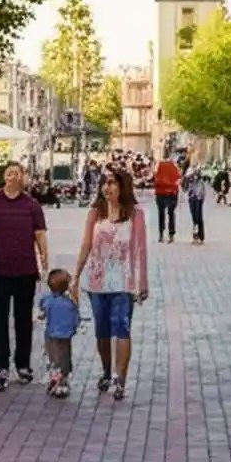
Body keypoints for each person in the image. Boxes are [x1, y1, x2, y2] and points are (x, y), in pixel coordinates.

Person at [0, 161, 49, 390]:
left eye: (17, 173)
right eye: (9, 173)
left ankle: (23, 365)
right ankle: (1, 366)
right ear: (4, 177)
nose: (13, 177)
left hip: (25, 270)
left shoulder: (32, 205)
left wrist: (44, 258)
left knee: (24, 320)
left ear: (24, 177)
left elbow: (40, 234)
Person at [72, 167, 149, 401]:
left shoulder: (135, 214)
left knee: (121, 326)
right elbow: (86, 244)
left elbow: (140, 249)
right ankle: (106, 371)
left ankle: (120, 379)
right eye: (105, 183)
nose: (108, 187)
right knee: (102, 330)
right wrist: (76, 275)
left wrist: (141, 281)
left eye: (113, 183)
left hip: (123, 282)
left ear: (123, 186)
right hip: (97, 281)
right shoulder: (96, 213)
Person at [39, 269, 80, 398]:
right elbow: (76, 317)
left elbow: (42, 310)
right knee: (65, 357)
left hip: (51, 335)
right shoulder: (70, 302)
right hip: (65, 336)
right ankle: (63, 380)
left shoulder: (48, 300)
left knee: (53, 357)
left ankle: (55, 378)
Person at [153, 157, 182, 243]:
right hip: (172, 192)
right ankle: (171, 234)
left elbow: (154, 176)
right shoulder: (174, 165)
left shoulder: (159, 164)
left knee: (161, 214)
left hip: (161, 192)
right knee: (171, 213)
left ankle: (161, 234)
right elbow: (178, 177)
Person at [184, 167, 207, 244]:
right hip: (192, 199)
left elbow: (202, 191)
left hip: (199, 199)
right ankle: (195, 236)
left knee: (198, 217)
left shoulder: (200, 181)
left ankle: (201, 236)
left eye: (194, 175)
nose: (193, 176)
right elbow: (185, 189)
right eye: (192, 175)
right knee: (194, 218)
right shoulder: (189, 181)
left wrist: (200, 197)